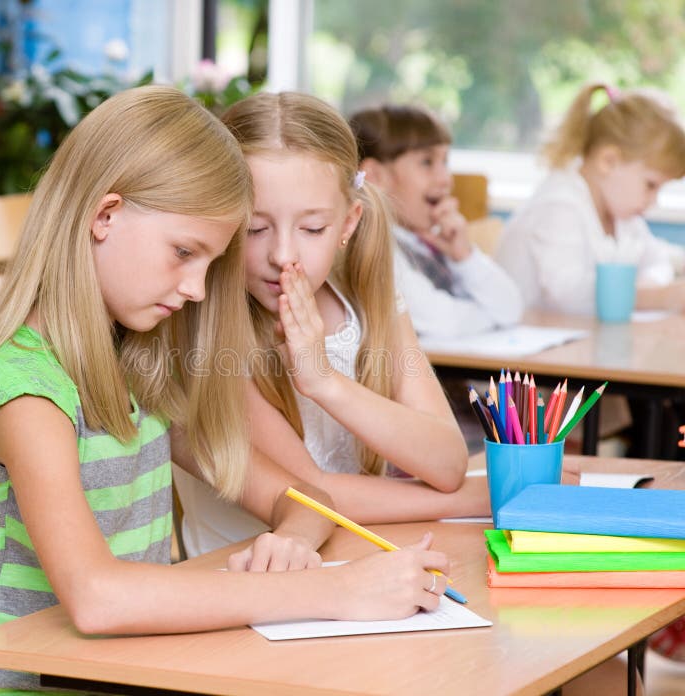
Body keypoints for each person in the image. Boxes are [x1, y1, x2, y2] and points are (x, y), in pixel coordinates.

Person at [0, 86, 452, 696]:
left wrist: (289, 541)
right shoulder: (25, 391)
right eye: (184, 253)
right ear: (104, 216)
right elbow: (97, 599)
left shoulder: (137, 373)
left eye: (208, 265)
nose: (197, 290)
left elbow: (306, 497)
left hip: (143, 678)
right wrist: (334, 590)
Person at [173, 91, 490, 560]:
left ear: (347, 223)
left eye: (312, 229)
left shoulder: (370, 301)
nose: (283, 255)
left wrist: (325, 382)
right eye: (254, 229)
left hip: (362, 562)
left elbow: (446, 462)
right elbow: (312, 494)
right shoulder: (210, 330)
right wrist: (473, 499)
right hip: (248, 588)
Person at [496, 82, 685, 313]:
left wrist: (648, 287)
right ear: (609, 161)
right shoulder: (558, 205)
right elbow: (570, 297)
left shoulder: (620, 214)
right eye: (651, 185)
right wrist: (657, 297)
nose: (653, 201)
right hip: (524, 340)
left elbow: (657, 261)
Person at [348, 103, 523, 338]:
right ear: (375, 176)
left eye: (445, 162)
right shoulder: (371, 245)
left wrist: (464, 256)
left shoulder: (427, 241)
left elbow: (510, 308)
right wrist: (488, 315)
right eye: (427, 163)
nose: (445, 179)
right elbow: (441, 321)